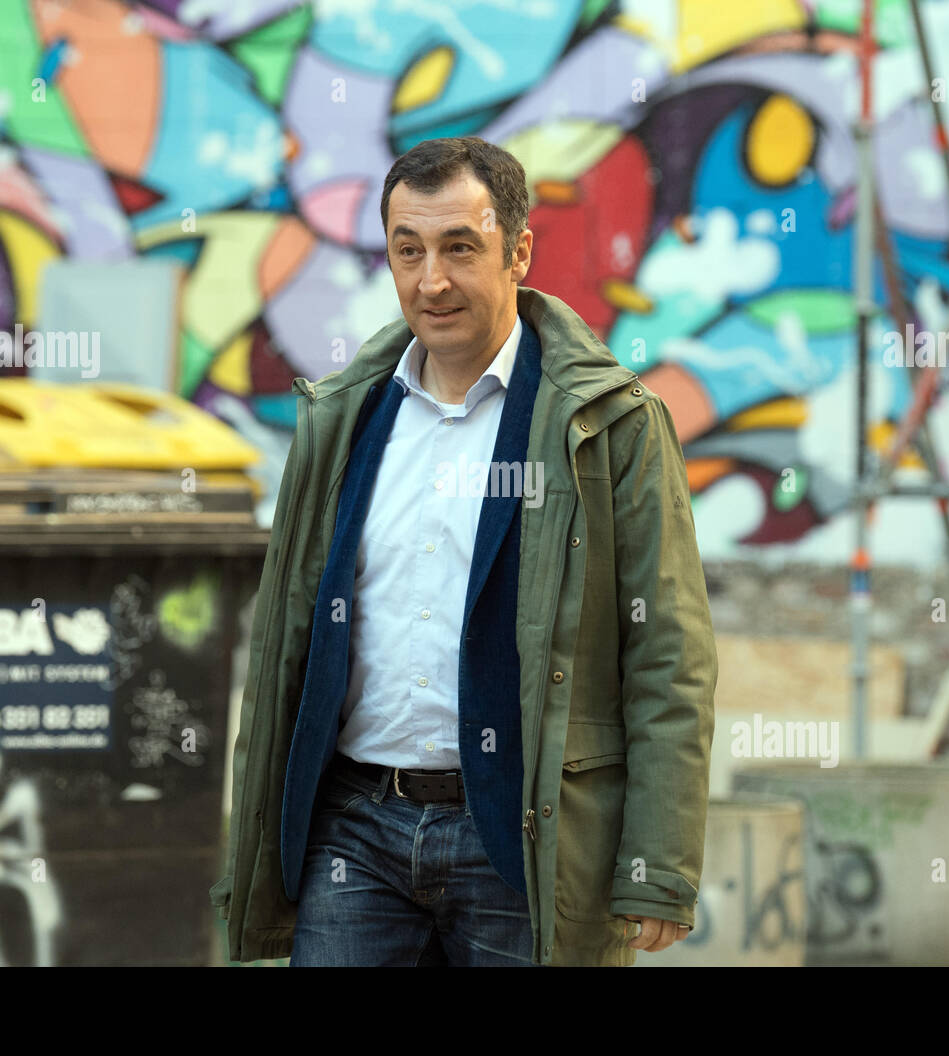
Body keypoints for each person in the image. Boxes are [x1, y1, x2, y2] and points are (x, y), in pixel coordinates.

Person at [210, 136, 717, 966]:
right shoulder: (343, 417)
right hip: (355, 831)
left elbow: (669, 655)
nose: (431, 280)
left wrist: (656, 865)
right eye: (407, 250)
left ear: (518, 251)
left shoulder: (610, 425)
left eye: (459, 248)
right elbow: (282, 651)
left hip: (522, 836)